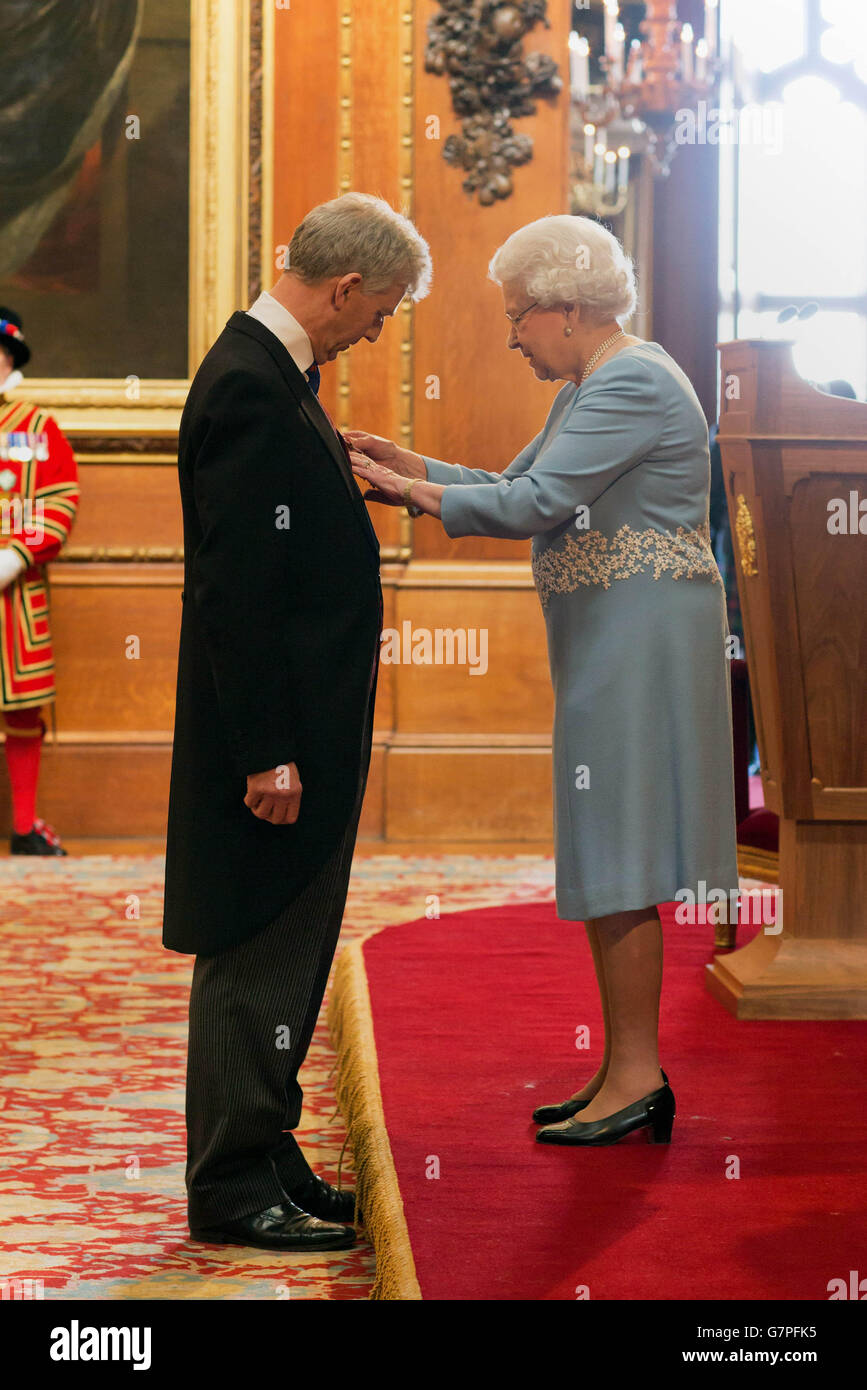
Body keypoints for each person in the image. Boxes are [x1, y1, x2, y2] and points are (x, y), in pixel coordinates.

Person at [349, 214, 738, 1148]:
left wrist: (413, 495)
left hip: (636, 643)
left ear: (567, 309)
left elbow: (531, 506)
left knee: (624, 849)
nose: (511, 333)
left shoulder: (633, 379)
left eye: (518, 315)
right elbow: (514, 479)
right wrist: (418, 467)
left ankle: (638, 1079)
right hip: (613, 636)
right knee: (612, 846)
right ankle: (622, 1069)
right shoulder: (593, 385)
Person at [162, 193, 431, 1249]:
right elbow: (237, 590)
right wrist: (268, 749)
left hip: (300, 738)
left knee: (292, 940)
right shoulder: (248, 384)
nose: (378, 330)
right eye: (382, 311)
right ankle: (231, 1184)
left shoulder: (276, 376)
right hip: (269, 749)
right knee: (255, 946)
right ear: (345, 288)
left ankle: (268, 1149)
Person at [0, 307, 79, 855]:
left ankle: (24, 828)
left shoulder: (36, 426)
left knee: (21, 710)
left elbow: (61, 498)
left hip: (13, 596)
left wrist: (16, 556)